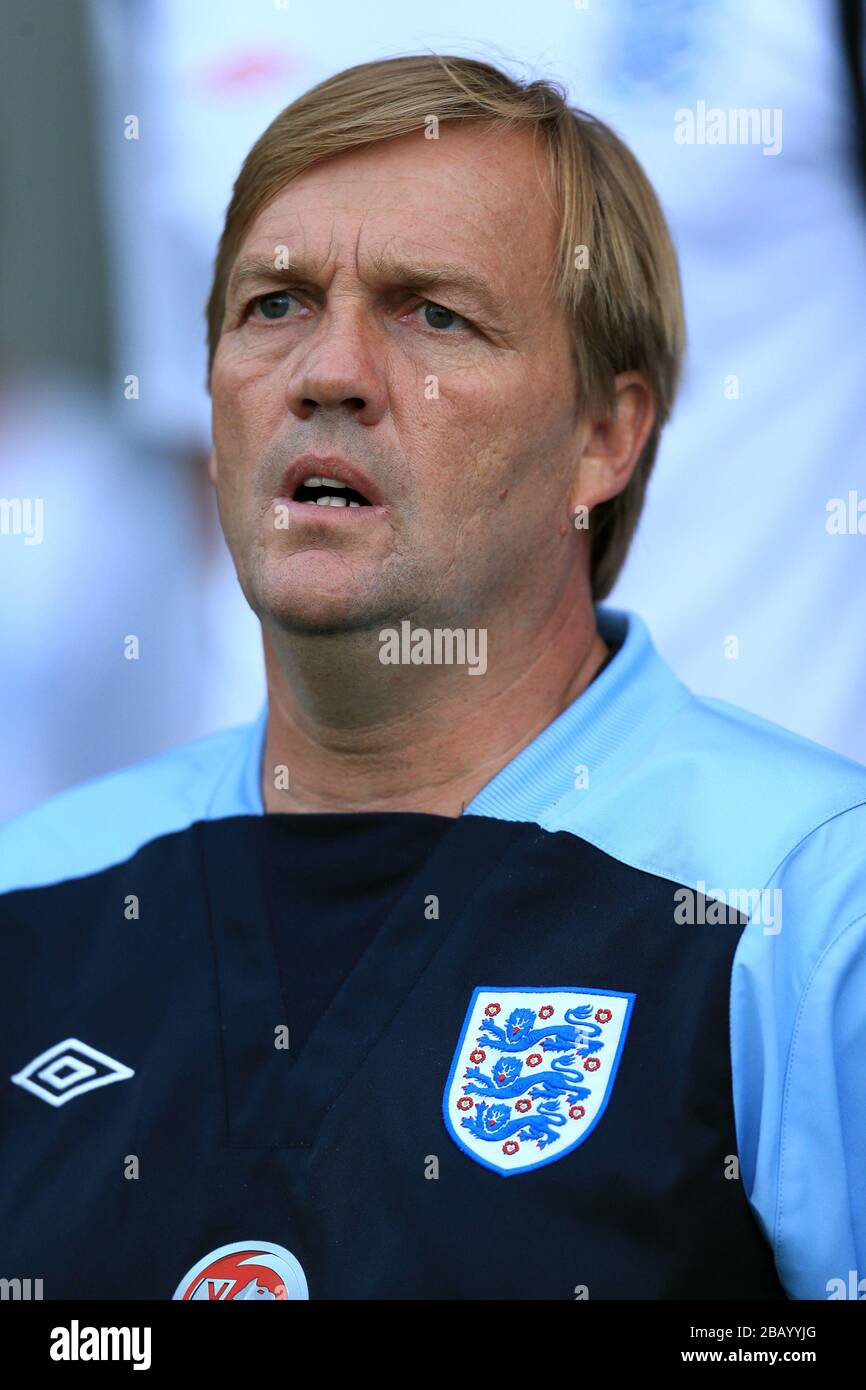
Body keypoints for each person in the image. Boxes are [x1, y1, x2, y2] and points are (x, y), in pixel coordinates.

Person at [1, 54, 863, 1301]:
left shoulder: (806, 911)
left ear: (604, 436)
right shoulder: (35, 898)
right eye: (273, 306)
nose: (327, 372)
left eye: (432, 313)